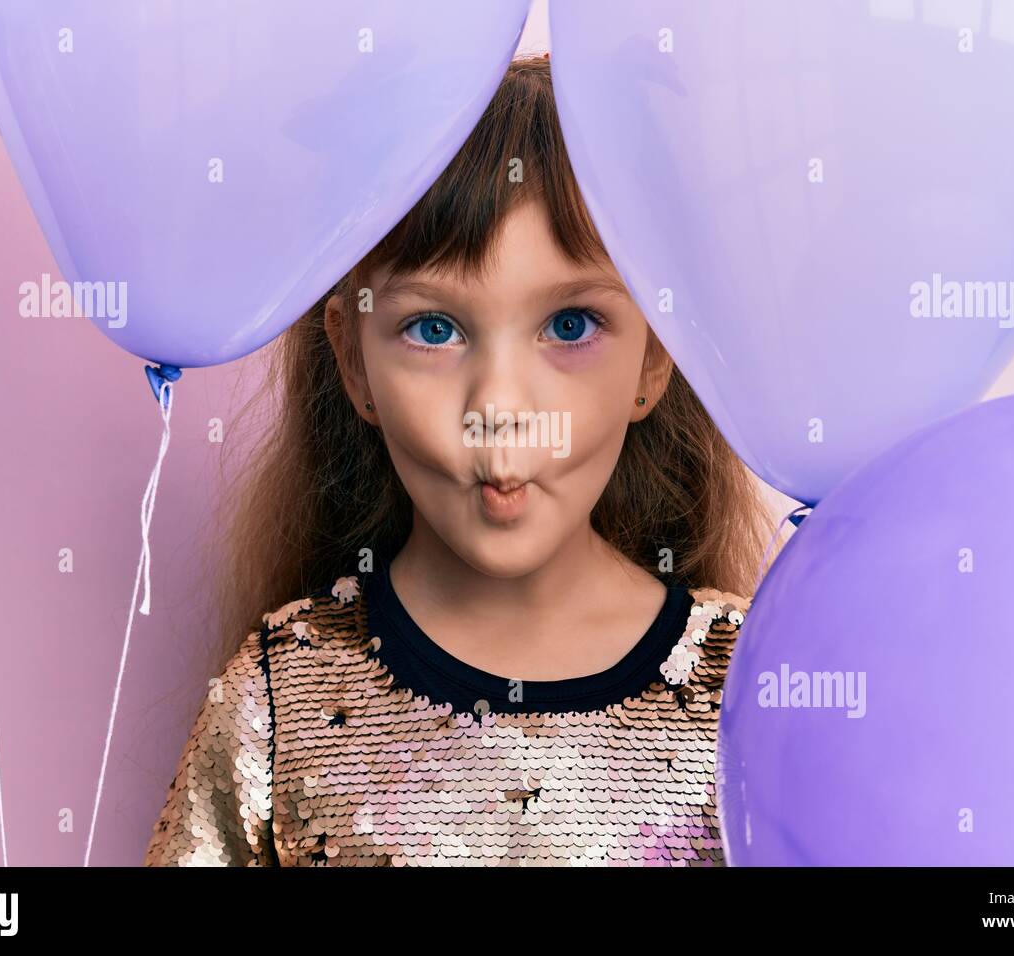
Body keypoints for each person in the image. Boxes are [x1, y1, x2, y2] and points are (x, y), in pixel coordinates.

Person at [144, 55, 770, 867]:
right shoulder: (280, 703)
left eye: (571, 325)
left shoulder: (756, 693)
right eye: (434, 329)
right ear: (354, 361)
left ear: (656, 355)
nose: (500, 407)